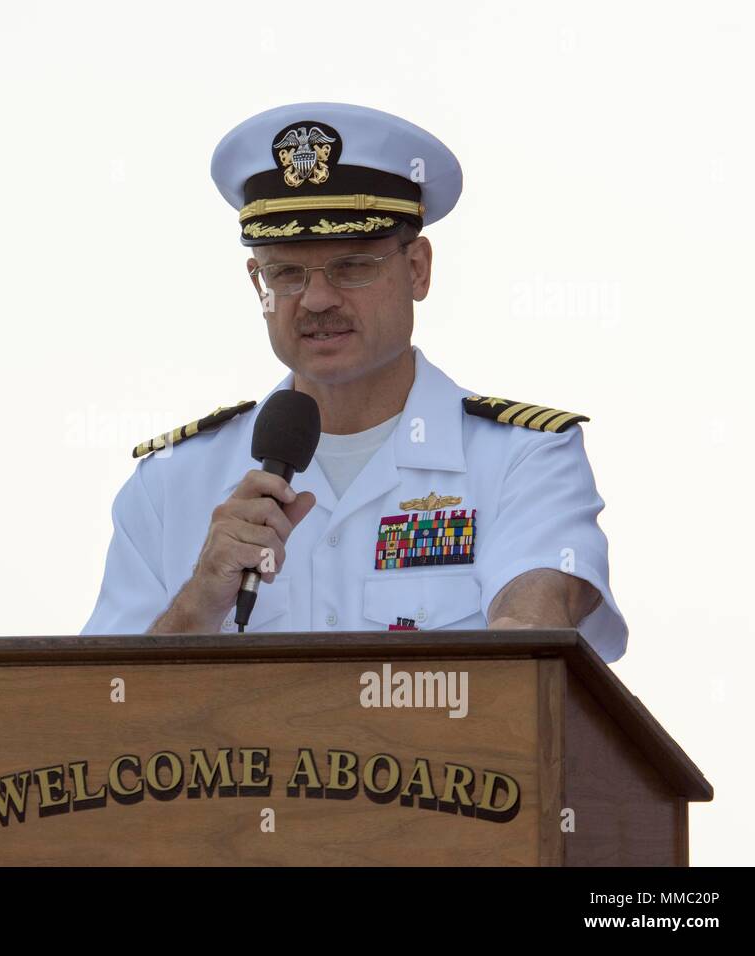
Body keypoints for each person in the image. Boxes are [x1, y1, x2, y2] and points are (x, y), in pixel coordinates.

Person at [80, 102, 627, 662]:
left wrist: (526, 616)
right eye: (286, 273)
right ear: (257, 285)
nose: (317, 300)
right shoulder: (172, 483)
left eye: (352, 267)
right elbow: (97, 708)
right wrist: (198, 604)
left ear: (417, 269)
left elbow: (532, 626)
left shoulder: (525, 458)